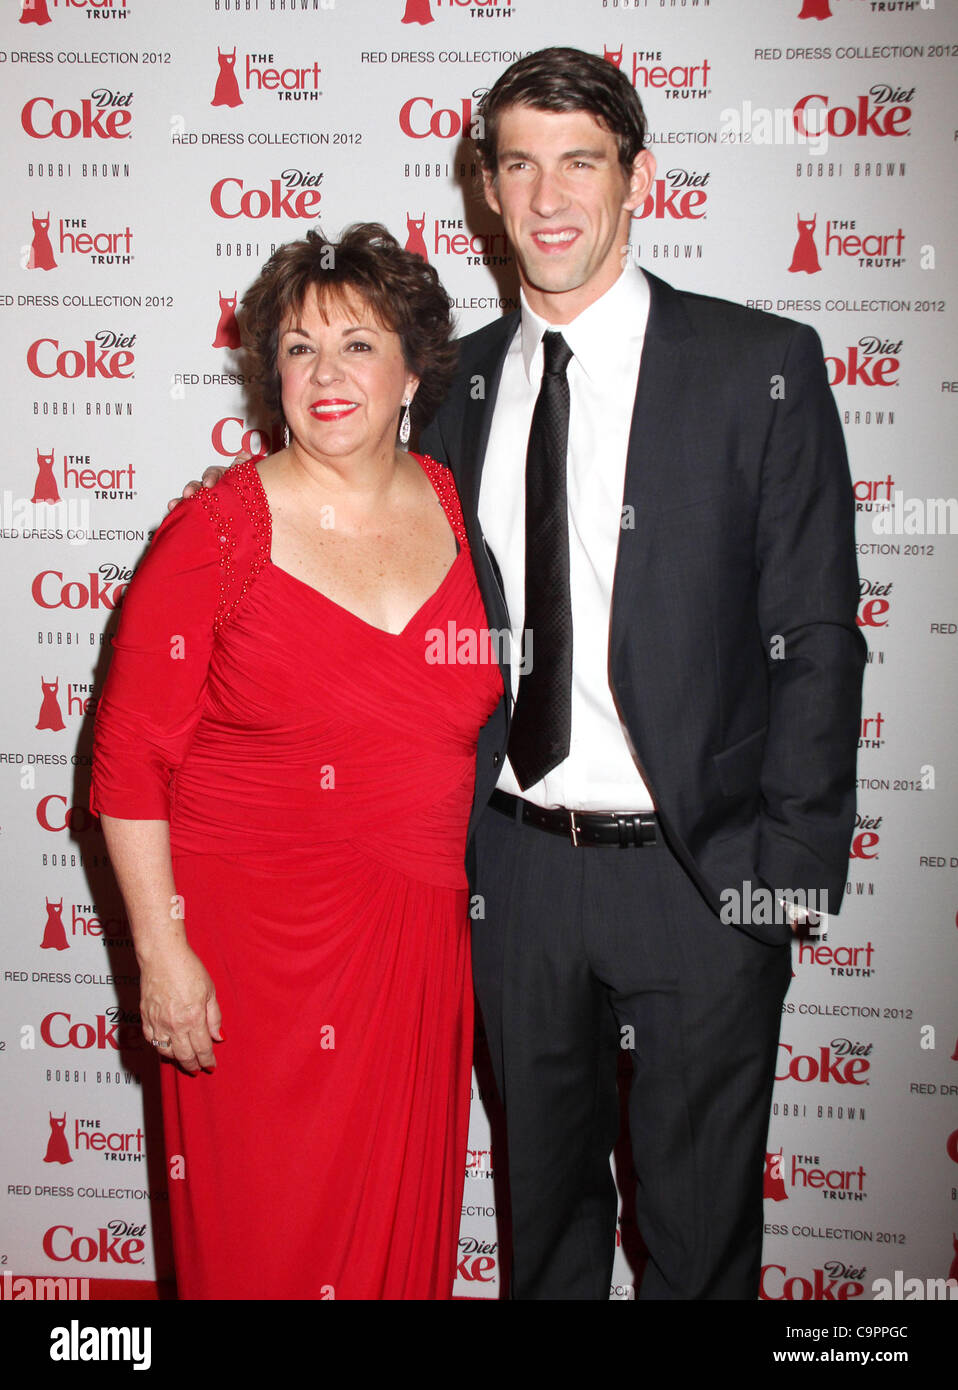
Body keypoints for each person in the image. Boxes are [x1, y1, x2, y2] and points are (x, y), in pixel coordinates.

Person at [186, 50, 865, 1301]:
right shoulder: (449, 389)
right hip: (507, 874)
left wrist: (788, 878)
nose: (549, 195)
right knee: (543, 1229)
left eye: (581, 162)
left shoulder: (756, 368)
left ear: (637, 178)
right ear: (487, 193)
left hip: (700, 877)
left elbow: (817, 636)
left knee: (701, 1236)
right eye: (518, 164)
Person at [92, 224, 502, 1300]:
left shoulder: (462, 512)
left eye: (358, 345)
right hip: (251, 961)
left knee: (392, 1249)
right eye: (299, 348)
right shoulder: (215, 530)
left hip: (415, 954)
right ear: (268, 372)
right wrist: (163, 958)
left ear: (413, 368)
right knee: (262, 1249)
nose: (327, 375)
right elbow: (129, 764)